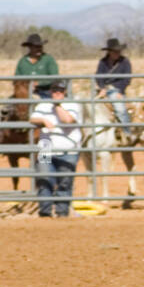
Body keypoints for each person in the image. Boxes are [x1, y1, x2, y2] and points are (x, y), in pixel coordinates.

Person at [30, 80, 82, 217]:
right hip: (46, 146)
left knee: (65, 182)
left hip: (68, 148)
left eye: (60, 91)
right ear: (50, 92)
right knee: (44, 179)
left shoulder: (72, 105)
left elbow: (67, 120)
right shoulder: (43, 105)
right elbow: (33, 118)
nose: (57, 93)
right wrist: (43, 120)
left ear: (64, 92)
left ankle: (62, 212)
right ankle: (45, 212)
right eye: (54, 91)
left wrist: (57, 105)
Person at [95, 37, 133, 128]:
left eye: (118, 51)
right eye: (115, 51)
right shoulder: (103, 62)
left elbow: (127, 79)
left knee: (120, 109)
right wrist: (102, 87)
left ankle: (127, 131)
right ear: (109, 52)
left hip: (117, 89)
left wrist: (120, 90)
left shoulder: (125, 62)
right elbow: (98, 76)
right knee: (89, 103)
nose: (117, 53)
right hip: (103, 88)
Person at [16, 33, 59, 98]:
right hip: (26, 92)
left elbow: (55, 77)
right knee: (10, 105)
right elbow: (16, 79)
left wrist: (39, 83)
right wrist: (27, 85)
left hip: (45, 92)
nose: (39, 49)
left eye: (40, 46)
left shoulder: (48, 59)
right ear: (29, 47)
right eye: (36, 46)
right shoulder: (22, 61)